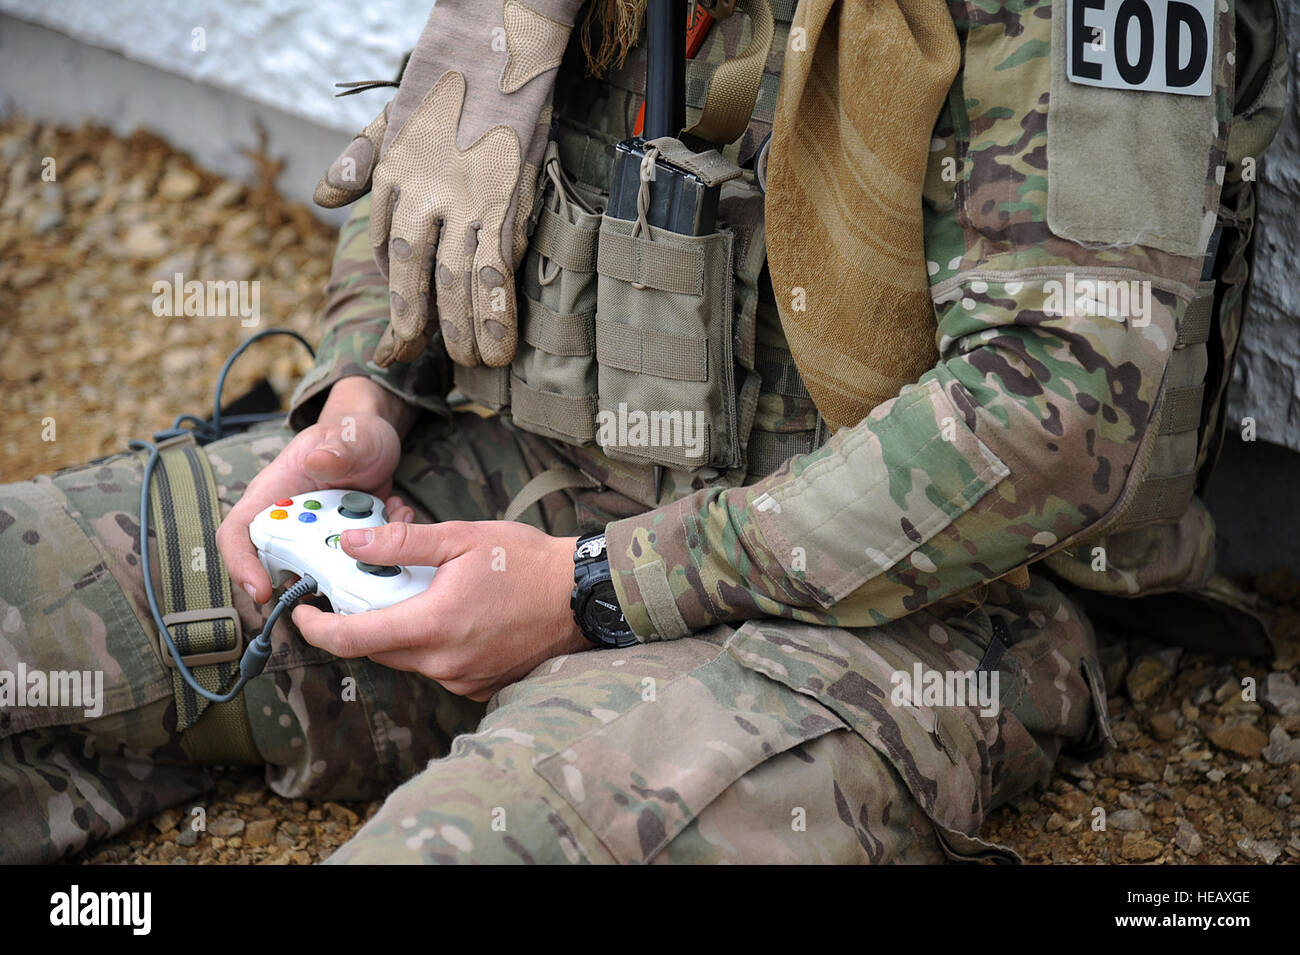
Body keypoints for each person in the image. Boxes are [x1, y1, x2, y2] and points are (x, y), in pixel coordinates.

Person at [0, 0, 1286, 864]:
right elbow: (423, 175)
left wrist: (597, 594)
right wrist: (364, 391)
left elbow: (1055, 415)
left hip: (899, 604)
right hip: (522, 478)